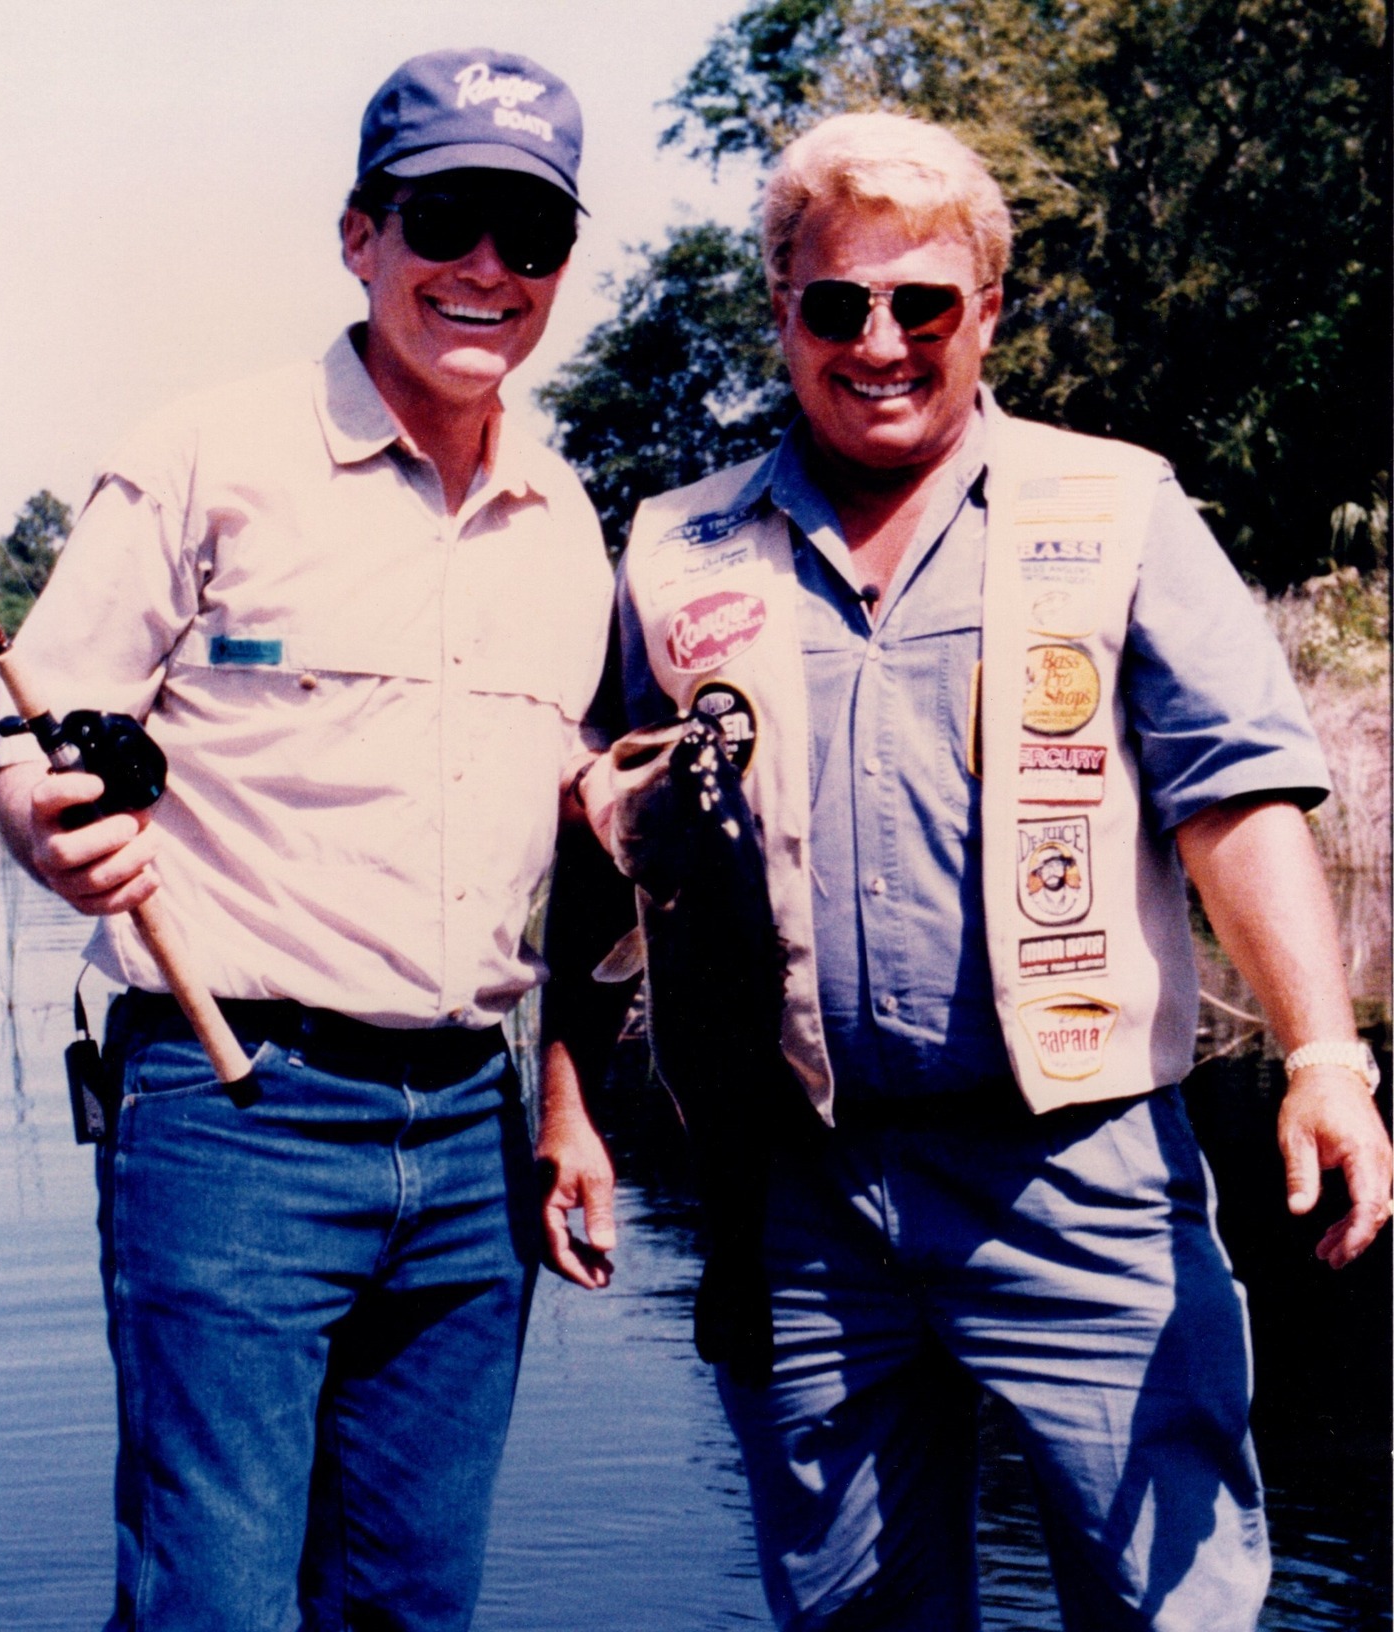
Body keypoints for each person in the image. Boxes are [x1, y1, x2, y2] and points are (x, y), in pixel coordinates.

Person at [539, 110, 1392, 1630]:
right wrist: (568, 1101)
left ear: (987, 311)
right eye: (835, 304)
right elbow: (603, 854)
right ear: (782, 314)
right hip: (794, 1196)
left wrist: (1326, 1053)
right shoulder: (676, 547)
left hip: (1081, 1176)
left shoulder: (1113, 504)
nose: (881, 342)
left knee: (1171, 1610)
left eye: (923, 303)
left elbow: (1237, 798)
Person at [0, 48, 613, 1631]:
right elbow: (32, 736)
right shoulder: (209, 455)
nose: (486, 270)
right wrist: (65, 834)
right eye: (447, 219)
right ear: (360, 235)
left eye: (528, 238)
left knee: (413, 1604)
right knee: (214, 1602)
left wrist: (567, 1110)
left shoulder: (571, 515)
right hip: (233, 1109)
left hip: (477, 1134)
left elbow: (586, 835)